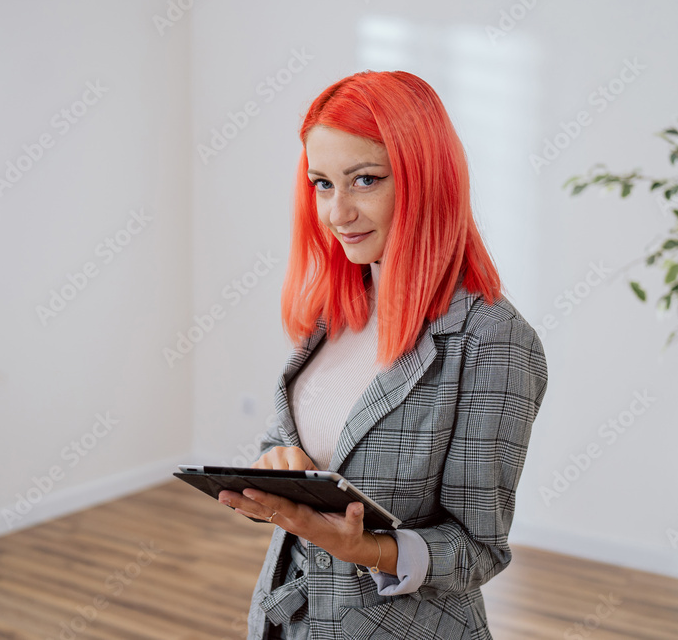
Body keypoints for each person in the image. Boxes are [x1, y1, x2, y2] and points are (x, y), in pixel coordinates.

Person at [217, 70, 549, 640]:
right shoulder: (337, 308)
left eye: (364, 180)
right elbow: (295, 440)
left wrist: (369, 548)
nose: (336, 213)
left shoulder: (492, 338)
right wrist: (276, 470)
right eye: (322, 184)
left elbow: (478, 550)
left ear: (426, 180)